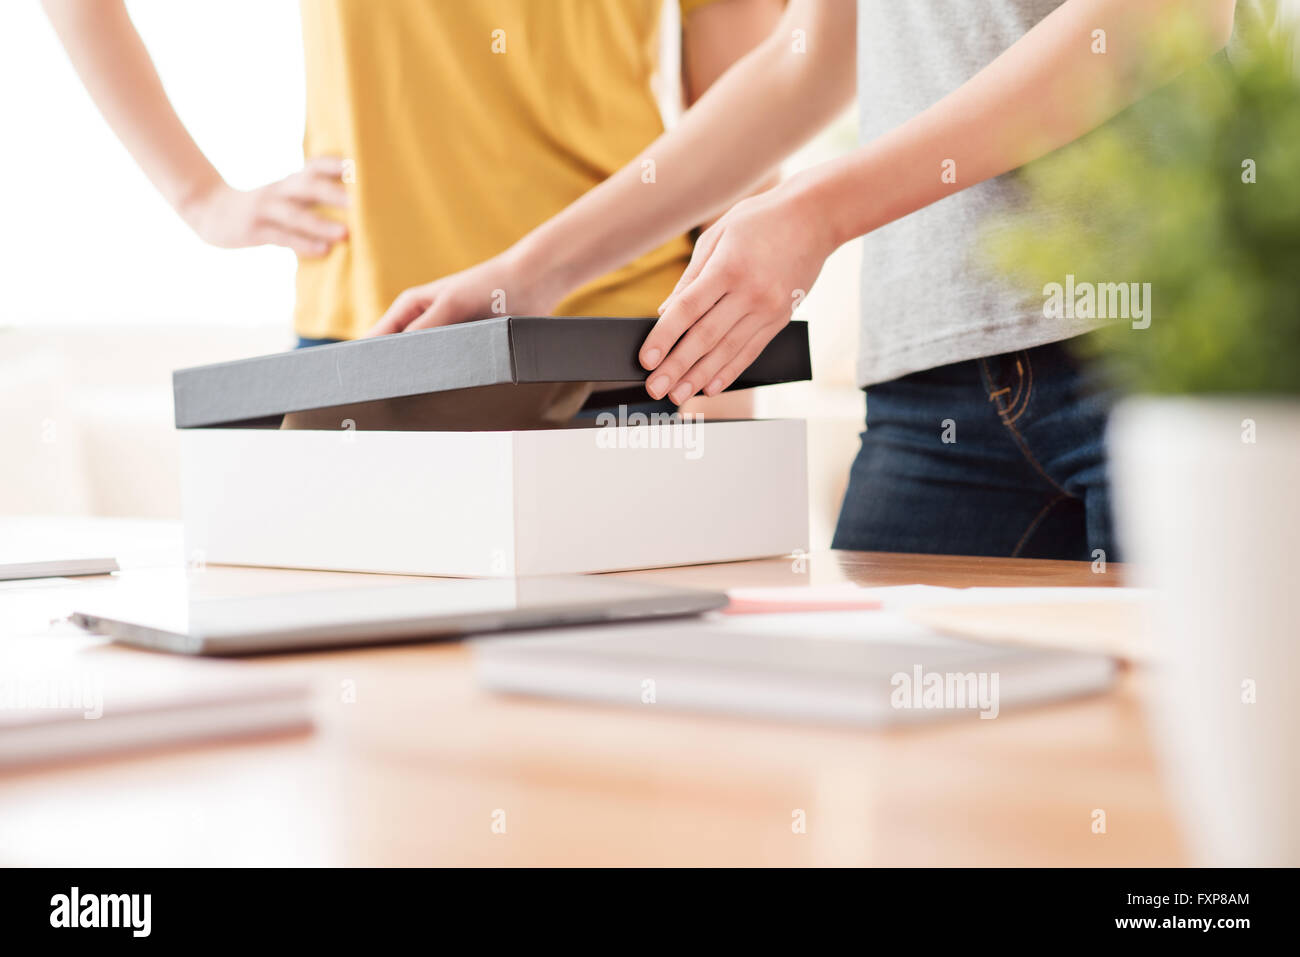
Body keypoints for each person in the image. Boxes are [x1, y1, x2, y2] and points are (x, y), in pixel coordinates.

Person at [373, 0, 1242, 560]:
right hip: (930, 383)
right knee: (909, 804)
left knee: (1177, 806)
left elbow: (1165, 14)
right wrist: (531, 273)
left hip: (1165, 352)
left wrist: (819, 209)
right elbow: (811, 56)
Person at [42, 0, 783, 367]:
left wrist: (721, 342)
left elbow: (751, 89)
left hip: (621, 341)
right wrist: (201, 199)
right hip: (372, 334)